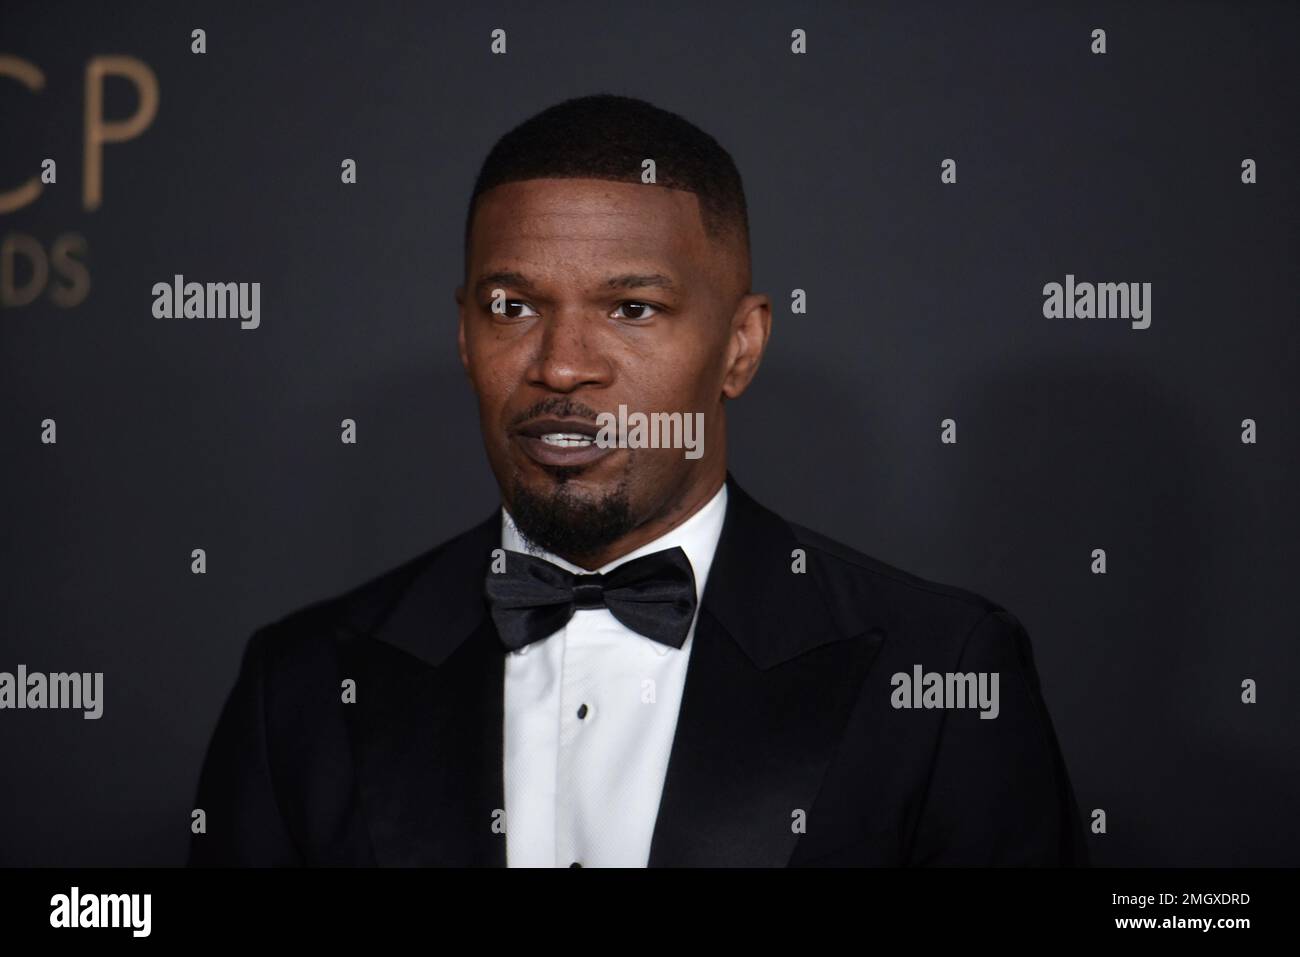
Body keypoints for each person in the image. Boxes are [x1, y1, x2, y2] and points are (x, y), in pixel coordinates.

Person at [188, 93, 1088, 867]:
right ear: (464, 336)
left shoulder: (940, 671)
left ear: (741, 346)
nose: (563, 366)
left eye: (632, 308)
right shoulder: (299, 684)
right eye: (515, 307)